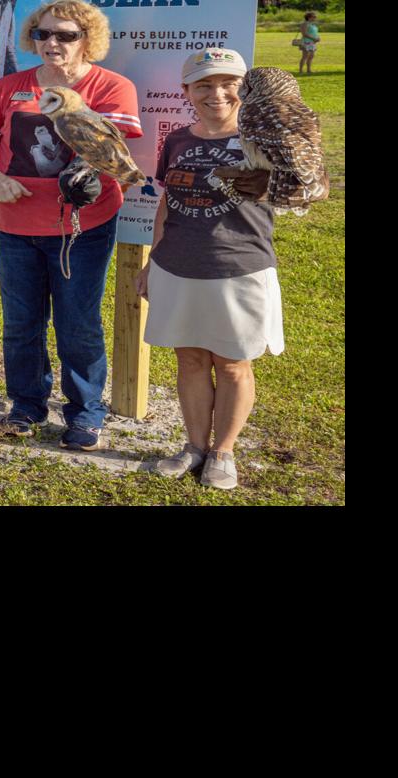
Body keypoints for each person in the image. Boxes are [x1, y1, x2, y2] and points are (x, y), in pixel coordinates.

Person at [0, 0, 141, 451]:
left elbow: (115, 159)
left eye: (65, 35)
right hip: (14, 225)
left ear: (87, 39)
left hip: (82, 227)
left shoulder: (111, 86)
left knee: (77, 322)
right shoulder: (11, 87)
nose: (52, 43)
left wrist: (88, 176)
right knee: (21, 323)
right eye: (43, 34)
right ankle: (26, 406)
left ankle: (84, 414)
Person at [138, 48, 278, 491]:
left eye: (227, 83)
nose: (216, 93)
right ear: (186, 92)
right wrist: (152, 260)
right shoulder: (178, 139)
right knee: (191, 357)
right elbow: (166, 202)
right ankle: (195, 446)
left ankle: (223, 452)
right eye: (203, 84)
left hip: (239, 267)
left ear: (244, 88)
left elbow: (313, 189)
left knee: (234, 363)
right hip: (177, 265)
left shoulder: (266, 141)